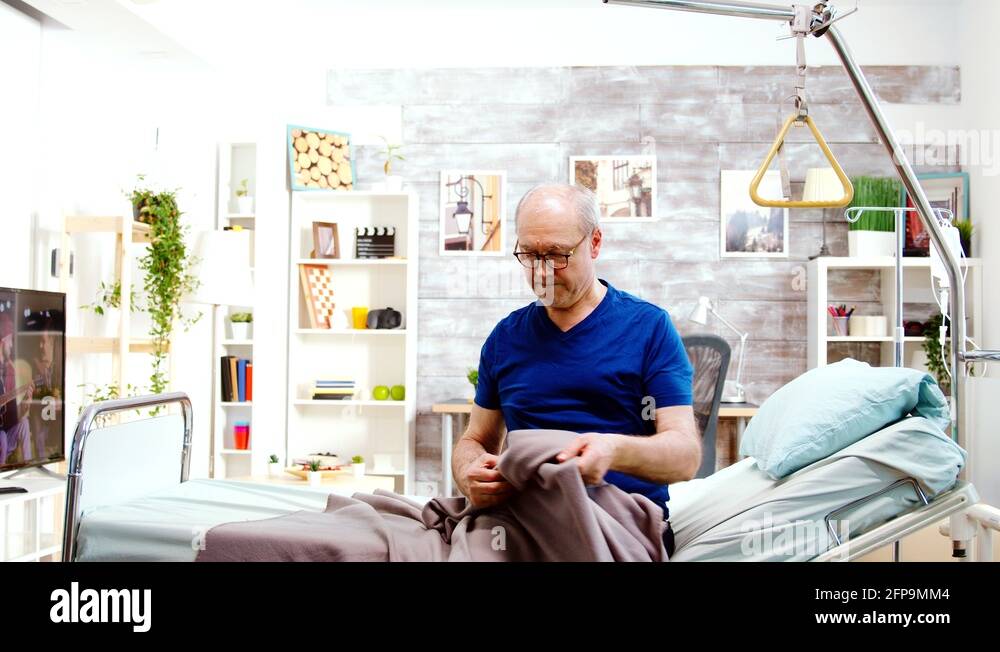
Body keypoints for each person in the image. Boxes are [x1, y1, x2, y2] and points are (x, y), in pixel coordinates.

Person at [451, 183, 699, 557]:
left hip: (616, 523)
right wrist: (469, 472)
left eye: (556, 255)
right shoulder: (506, 337)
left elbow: (685, 456)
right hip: (521, 519)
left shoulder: (648, 328)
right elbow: (476, 438)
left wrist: (613, 450)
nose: (542, 272)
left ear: (594, 243)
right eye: (530, 255)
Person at [0, 312, 31, 466]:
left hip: (3, 428)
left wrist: (26, 402)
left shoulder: (10, 371)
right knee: (3, 439)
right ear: (2, 342)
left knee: (24, 423)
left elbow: (9, 414)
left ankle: (29, 468)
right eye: (10, 340)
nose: (12, 346)